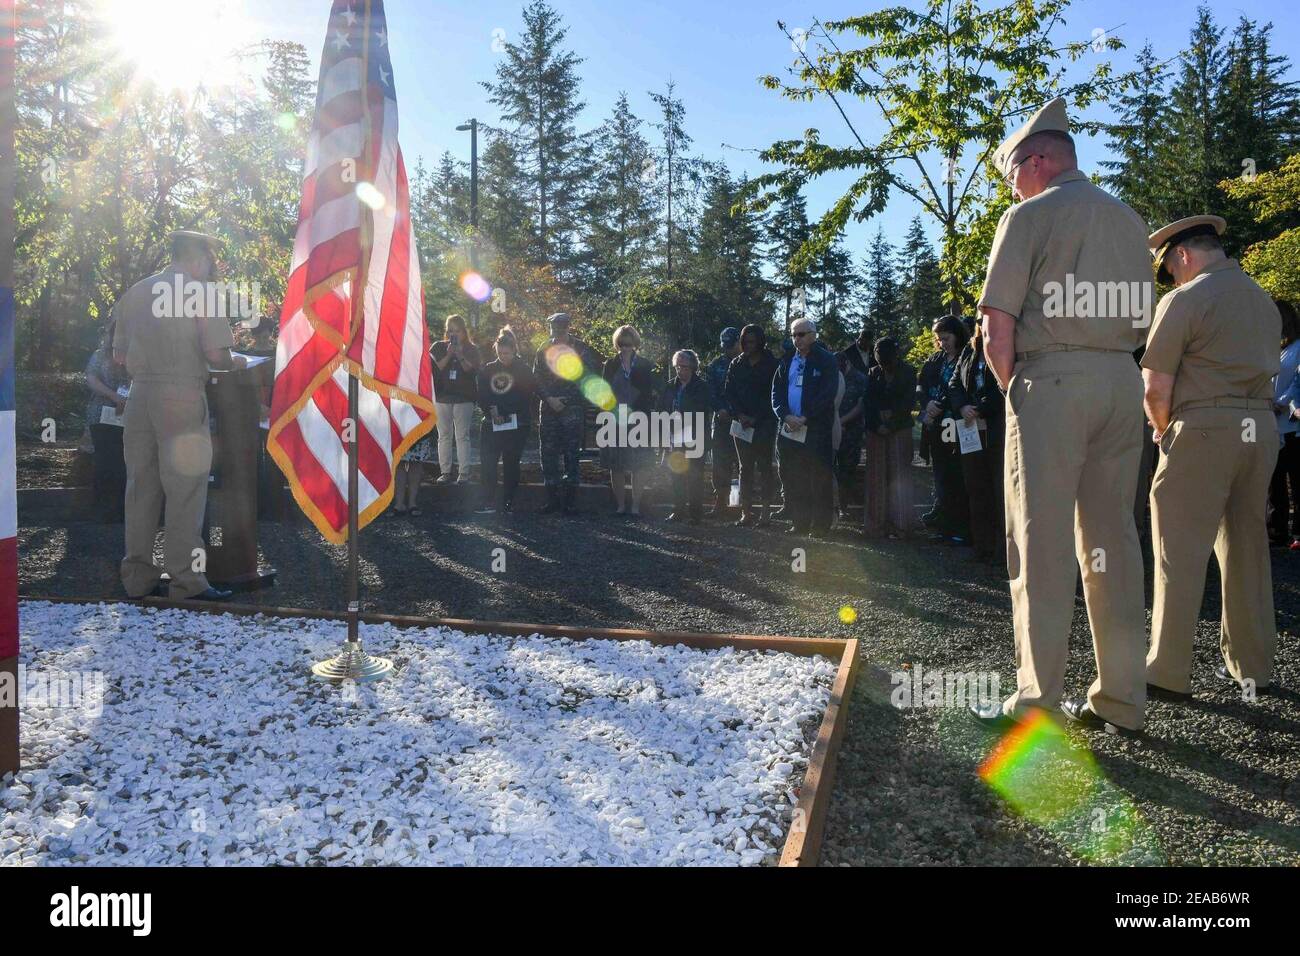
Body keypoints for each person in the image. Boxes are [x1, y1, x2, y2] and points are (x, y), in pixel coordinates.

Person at [972, 97, 1151, 736]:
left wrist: (1012, 392)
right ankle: (1123, 697)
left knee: (1040, 543)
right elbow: (1141, 319)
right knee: (1113, 542)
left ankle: (1038, 699)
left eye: (1011, 172)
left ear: (1038, 160)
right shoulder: (1130, 220)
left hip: (1050, 381)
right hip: (1120, 380)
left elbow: (997, 327)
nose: (1009, 185)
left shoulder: (1028, 216)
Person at [1142, 215, 1282, 699]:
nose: (1172, 278)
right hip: (1259, 428)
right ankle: (1253, 669)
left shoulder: (1184, 299)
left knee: (1177, 551)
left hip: (1202, 427)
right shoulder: (1263, 301)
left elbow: (1155, 385)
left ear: (1182, 255)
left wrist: (1163, 432)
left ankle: (1166, 670)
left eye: (1171, 269)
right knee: (1247, 547)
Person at [113, 230, 245, 602]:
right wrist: (234, 360)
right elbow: (217, 355)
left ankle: (137, 578)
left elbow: (118, 354)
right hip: (182, 394)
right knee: (185, 489)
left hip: (139, 396)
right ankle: (186, 581)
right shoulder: (199, 293)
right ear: (198, 259)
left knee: (140, 487)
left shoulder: (136, 292)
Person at [772, 318, 838, 537]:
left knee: (819, 478)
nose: (796, 339)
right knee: (794, 477)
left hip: (816, 428)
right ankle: (799, 523)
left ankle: (820, 527)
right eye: (793, 334)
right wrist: (785, 415)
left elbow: (828, 394)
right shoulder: (787, 359)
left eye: (801, 334)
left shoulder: (827, 360)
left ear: (813, 334)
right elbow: (776, 392)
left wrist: (806, 417)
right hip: (789, 427)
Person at [947, 316, 1005, 565]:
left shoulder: (1003, 348)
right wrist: (962, 407)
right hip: (971, 430)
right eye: (981, 321)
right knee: (976, 488)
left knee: (998, 489)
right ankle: (982, 546)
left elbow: (1006, 385)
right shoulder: (969, 353)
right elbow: (954, 384)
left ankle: (1003, 550)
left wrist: (981, 407)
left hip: (996, 428)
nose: (984, 325)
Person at [533, 312, 602, 515]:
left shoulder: (580, 348)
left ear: (568, 328)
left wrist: (567, 400)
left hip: (572, 409)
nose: (557, 334)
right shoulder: (544, 348)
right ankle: (552, 500)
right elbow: (536, 378)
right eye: (554, 329)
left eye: (561, 330)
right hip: (548, 408)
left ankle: (570, 503)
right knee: (548, 453)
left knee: (572, 455)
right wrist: (550, 399)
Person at [917, 316, 971, 544]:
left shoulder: (967, 356)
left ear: (957, 335)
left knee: (961, 476)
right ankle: (945, 527)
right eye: (939, 340)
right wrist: (926, 403)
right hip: (937, 427)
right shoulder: (934, 360)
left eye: (946, 338)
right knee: (942, 477)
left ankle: (964, 529)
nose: (943, 343)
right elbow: (921, 385)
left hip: (961, 425)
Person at [475, 326, 536, 515]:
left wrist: (507, 413)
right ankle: (488, 501)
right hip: (492, 422)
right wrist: (492, 411)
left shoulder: (524, 370)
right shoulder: (489, 369)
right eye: (500, 353)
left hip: (516, 423)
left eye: (507, 353)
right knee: (488, 462)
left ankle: (508, 501)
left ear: (514, 350)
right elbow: (482, 394)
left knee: (511, 463)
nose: (504, 356)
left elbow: (526, 395)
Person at [600, 325, 657, 518]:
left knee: (639, 464)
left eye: (629, 343)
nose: (625, 347)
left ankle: (635, 505)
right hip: (615, 420)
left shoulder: (645, 365)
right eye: (622, 343)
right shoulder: (610, 365)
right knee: (616, 464)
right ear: (617, 343)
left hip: (639, 419)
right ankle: (621, 505)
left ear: (635, 343)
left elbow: (649, 394)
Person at [725, 324, 780, 527]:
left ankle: (765, 513)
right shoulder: (736, 364)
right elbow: (729, 392)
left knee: (765, 466)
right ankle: (746, 513)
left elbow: (774, 395)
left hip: (764, 422)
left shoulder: (772, 364)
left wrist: (756, 417)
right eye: (745, 341)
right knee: (744, 468)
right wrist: (740, 414)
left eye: (752, 341)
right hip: (741, 422)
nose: (749, 345)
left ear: (760, 342)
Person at [863, 338, 916, 539]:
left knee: (899, 476)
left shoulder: (908, 372)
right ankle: (875, 526)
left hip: (899, 428)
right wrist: (878, 425)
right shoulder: (873, 373)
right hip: (876, 430)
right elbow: (868, 401)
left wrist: (891, 423)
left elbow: (908, 401)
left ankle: (901, 526)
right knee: (875, 477)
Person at [85, 320, 131, 523]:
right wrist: (114, 397)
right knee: (105, 461)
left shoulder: (137, 355)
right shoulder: (100, 354)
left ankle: (122, 509)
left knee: (125, 462)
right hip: (101, 415)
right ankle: (101, 509)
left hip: (129, 415)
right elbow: (91, 378)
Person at [658, 349, 712, 524]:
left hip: (694, 437)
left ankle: (696, 514)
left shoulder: (702, 387)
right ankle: (678, 510)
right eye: (677, 367)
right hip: (674, 437)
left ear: (693, 367)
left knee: (695, 477)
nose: (680, 370)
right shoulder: (669, 386)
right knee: (676, 476)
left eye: (684, 367)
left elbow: (702, 411)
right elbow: (662, 410)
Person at [431, 313, 481, 484]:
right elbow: (434, 369)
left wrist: (459, 354)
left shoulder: (471, 349)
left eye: (457, 331)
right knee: (444, 435)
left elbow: (471, 370)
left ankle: (464, 473)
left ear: (464, 332)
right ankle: (445, 472)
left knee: (462, 435)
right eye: (450, 331)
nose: (454, 335)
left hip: (463, 398)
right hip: (442, 397)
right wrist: (448, 354)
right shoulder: (438, 346)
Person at [1269, 301, 1300, 548]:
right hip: (1272, 425)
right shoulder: (1275, 349)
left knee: (1296, 480)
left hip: (1292, 425)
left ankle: (1297, 533)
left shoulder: (1298, 348)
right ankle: (1277, 530)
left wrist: (1283, 401)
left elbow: (1297, 381)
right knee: (1275, 480)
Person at [705, 327, 742, 518]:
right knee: (720, 463)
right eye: (725, 346)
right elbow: (709, 391)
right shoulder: (715, 365)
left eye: (732, 345)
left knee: (744, 463)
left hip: (743, 421)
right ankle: (720, 503)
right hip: (721, 422)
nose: (728, 349)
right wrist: (719, 409)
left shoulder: (748, 363)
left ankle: (745, 505)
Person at [835, 351, 867, 521]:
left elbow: (861, 405)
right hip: (834, 430)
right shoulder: (832, 375)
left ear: (846, 363)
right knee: (832, 470)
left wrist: (841, 421)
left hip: (852, 431)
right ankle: (832, 506)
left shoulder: (860, 379)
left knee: (847, 470)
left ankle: (843, 507)